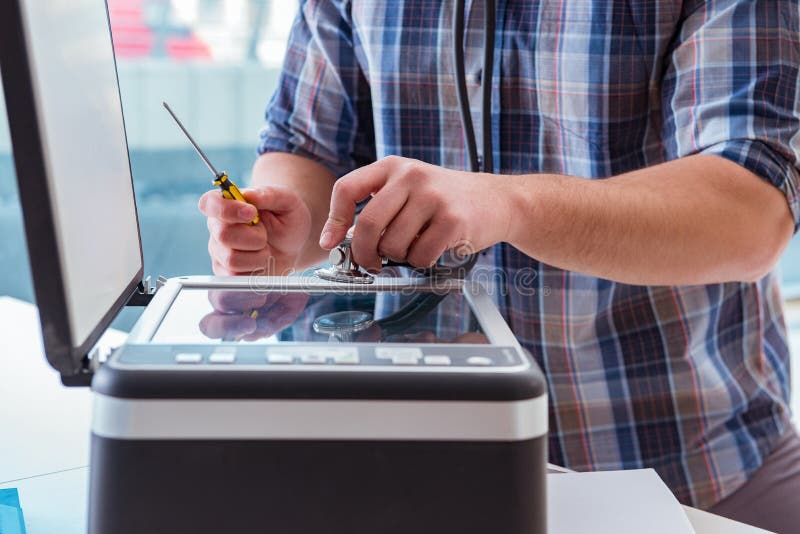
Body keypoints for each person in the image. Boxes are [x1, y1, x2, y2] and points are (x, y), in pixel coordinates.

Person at [199, 1, 800, 530]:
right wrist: (289, 227)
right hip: (394, 461)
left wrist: (509, 203)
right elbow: (305, 146)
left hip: (696, 467)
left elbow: (749, 210)